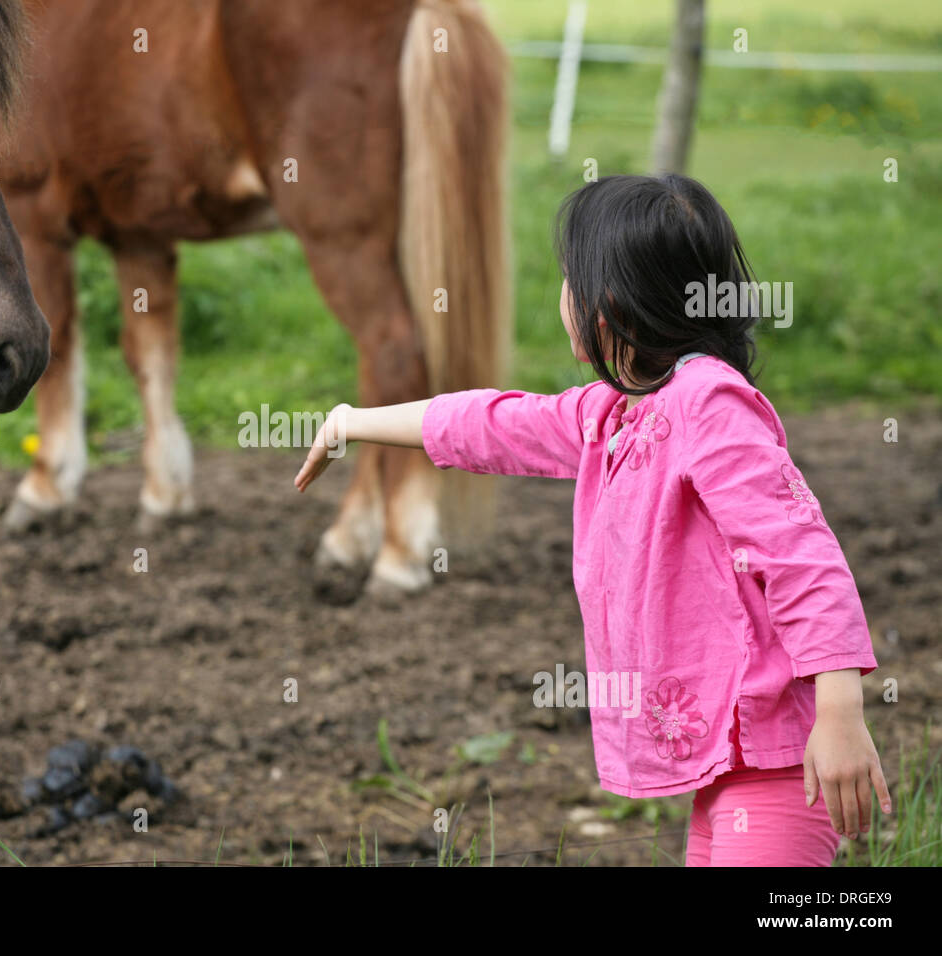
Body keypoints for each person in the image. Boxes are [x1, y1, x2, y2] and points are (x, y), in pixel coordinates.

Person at [293, 174, 891, 866]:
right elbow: (490, 422)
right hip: (731, 763)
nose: (561, 296)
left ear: (609, 302)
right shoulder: (610, 415)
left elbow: (803, 556)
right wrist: (351, 422)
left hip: (777, 758)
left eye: (568, 279)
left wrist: (841, 715)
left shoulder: (711, 406)